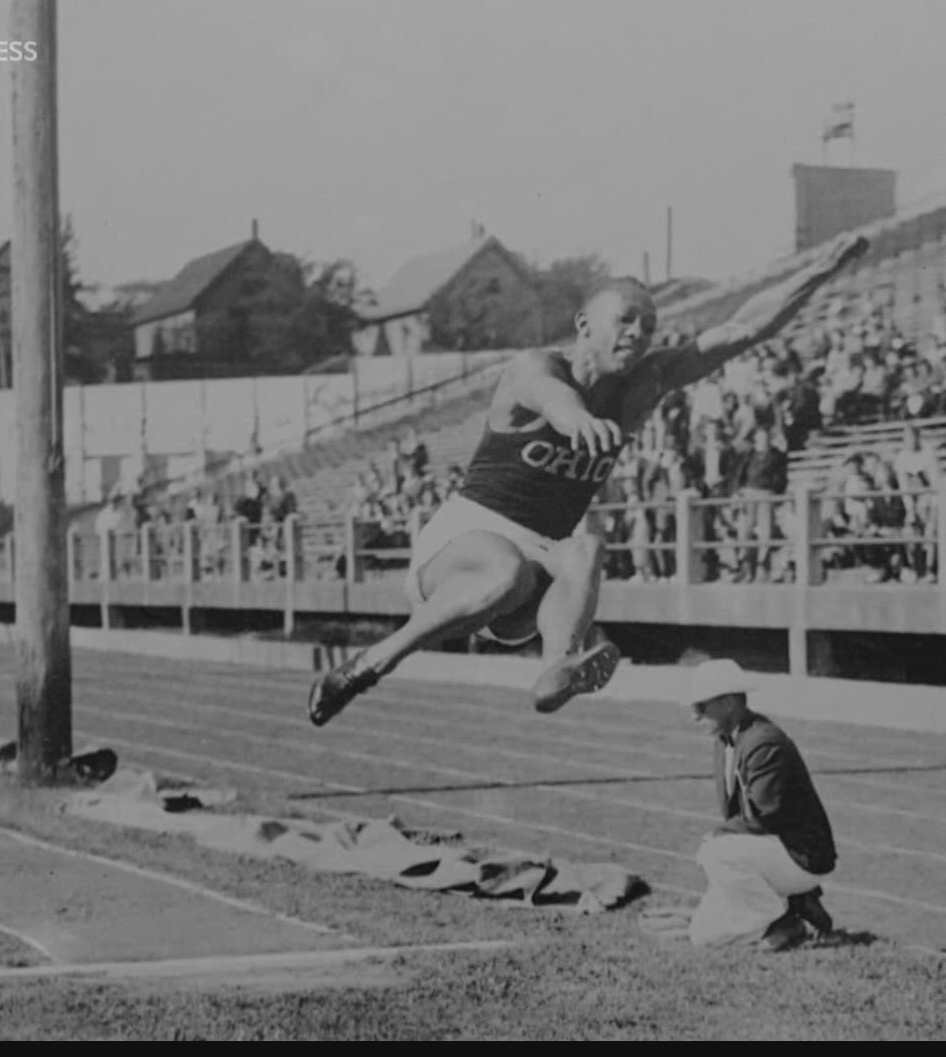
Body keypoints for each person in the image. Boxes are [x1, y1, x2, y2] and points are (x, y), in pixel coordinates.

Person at [305, 234, 871, 726]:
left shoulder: (646, 382)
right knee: (506, 570)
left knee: (584, 547)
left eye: (648, 326)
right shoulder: (534, 367)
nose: (638, 333)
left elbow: (740, 329)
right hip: (463, 545)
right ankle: (368, 664)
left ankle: (558, 668)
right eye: (625, 319)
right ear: (583, 324)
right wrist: (580, 422)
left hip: (533, 573)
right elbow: (555, 401)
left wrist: (820, 271)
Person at [682, 658, 838, 951]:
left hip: (802, 856)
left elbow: (766, 815)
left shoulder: (764, 742)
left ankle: (784, 917)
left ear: (729, 703)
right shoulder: (724, 741)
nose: (695, 716)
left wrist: (719, 835)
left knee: (714, 852)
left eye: (702, 706)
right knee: (702, 935)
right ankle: (791, 910)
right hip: (772, 848)